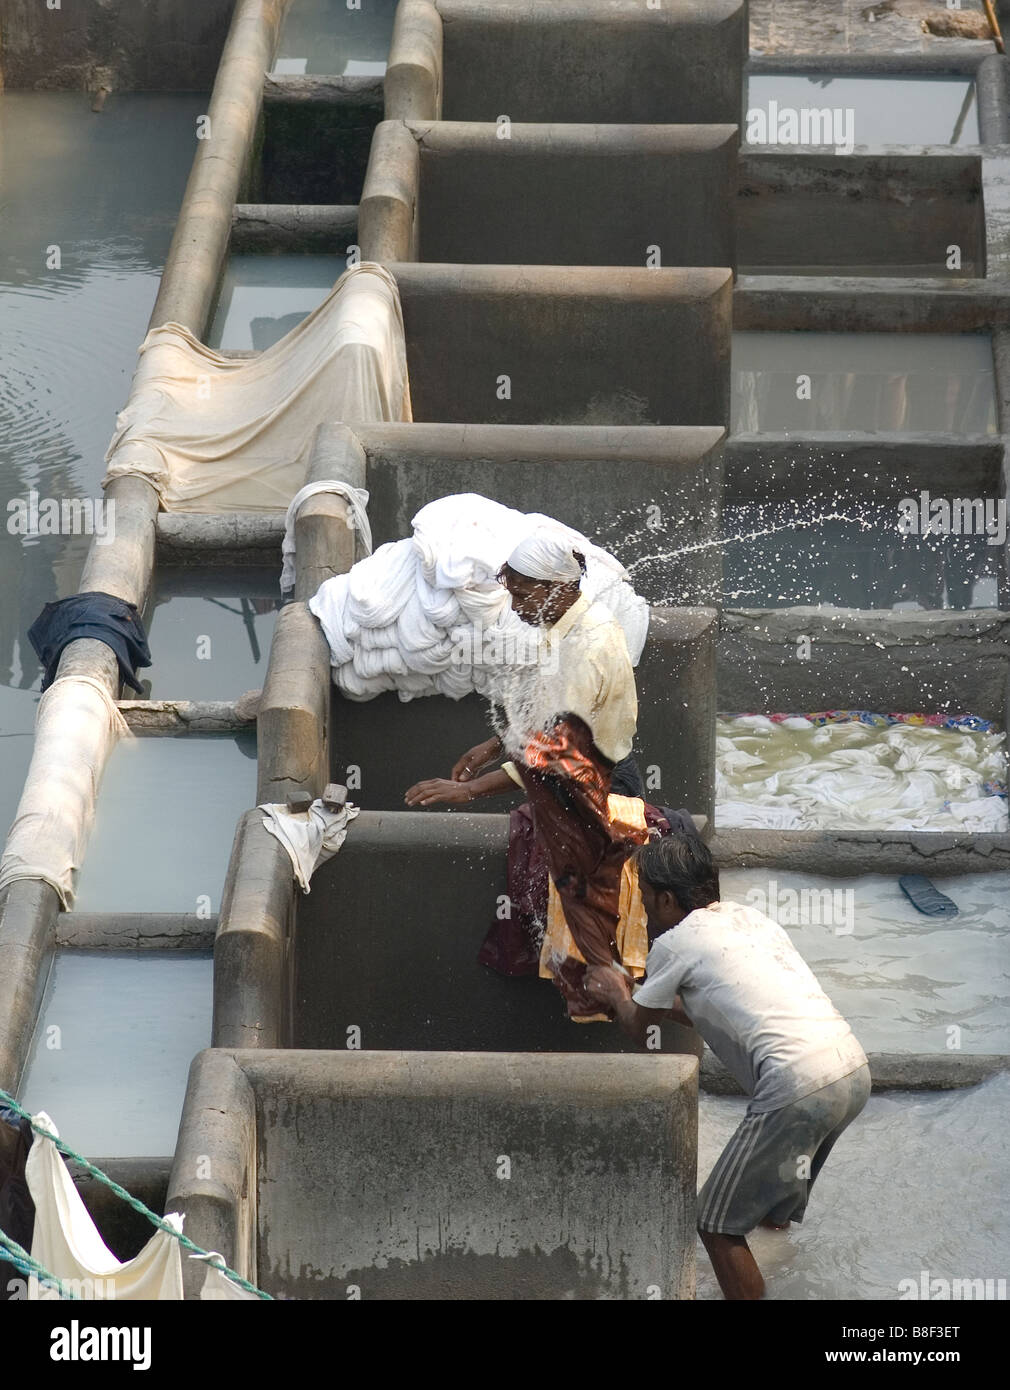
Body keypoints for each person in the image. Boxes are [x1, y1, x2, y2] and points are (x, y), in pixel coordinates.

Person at [585, 832, 870, 1301]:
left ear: (666, 898)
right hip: (851, 1071)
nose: (644, 910)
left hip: (796, 1085)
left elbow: (641, 1027)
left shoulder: (675, 943)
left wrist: (617, 991)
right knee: (772, 1209)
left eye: (645, 898)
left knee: (715, 1224)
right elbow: (713, 1004)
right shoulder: (750, 919)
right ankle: (778, 1275)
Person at [404, 524, 641, 1017]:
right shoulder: (568, 627)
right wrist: (494, 744)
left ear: (555, 588)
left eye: (519, 592)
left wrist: (465, 792)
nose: (512, 605)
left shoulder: (587, 647)